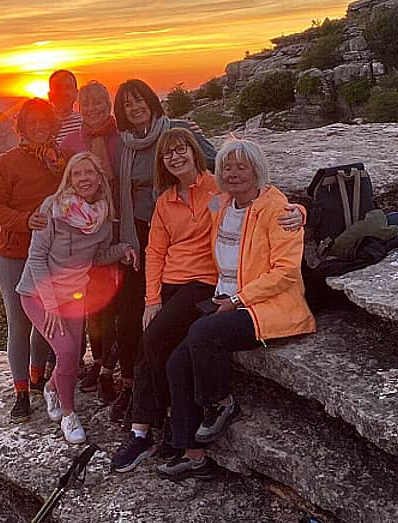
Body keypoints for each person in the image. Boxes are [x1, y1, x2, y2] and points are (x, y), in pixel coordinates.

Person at [110, 129, 304, 472]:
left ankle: (157, 425)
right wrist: (151, 298)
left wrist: (300, 212)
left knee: (158, 340)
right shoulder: (201, 200)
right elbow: (155, 250)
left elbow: (271, 207)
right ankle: (186, 448)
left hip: (213, 289)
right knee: (162, 353)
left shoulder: (220, 192)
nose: (176, 157)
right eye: (168, 153)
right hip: (190, 287)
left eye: (182, 149)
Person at [159, 138, 315, 481]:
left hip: (266, 306)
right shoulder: (221, 204)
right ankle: (193, 455)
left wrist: (300, 211)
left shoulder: (278, 210)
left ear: (257, 171)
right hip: (226, 299)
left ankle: (219, 402)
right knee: (175, 363)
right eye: (227, 168)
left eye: (241, 167)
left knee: (202, 332)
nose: (233, 174)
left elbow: (286, 271)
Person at [108, 79, 216, 422]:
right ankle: (132, 387)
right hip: (138, 233)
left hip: (180, 229)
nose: (135, 108)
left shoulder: (178, 130)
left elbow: (213, 160)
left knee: (157, 320)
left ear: (152, 101)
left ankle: (155, 406)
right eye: (127, 105)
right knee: (130, 315)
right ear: (121, 113)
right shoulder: (124, 145)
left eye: (139, 100)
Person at [16, 152, 137, 443]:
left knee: (70, 354)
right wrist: (51, 304)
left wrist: (122, 250)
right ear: (69, 179)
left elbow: (98, 256)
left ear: (99, 178)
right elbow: (36, 258)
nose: (84, 179)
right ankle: (69, 414)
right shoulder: (53, 209)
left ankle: (52, 389)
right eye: (77, 173)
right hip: (37, 294)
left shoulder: (103, 217)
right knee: (68, 351)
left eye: (90, 173)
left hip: (73, 294)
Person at [0, 99, 66, 423]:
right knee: (19, 322)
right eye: (31, 121)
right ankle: (21, 393)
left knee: (46, 319)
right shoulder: (6, 162)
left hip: (52, 253)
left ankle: (37, 376)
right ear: (21, 127)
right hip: (15, 253)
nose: (38, 126)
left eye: (43, 120)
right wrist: (24, 220)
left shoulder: (60, 161)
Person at [60, 81, 122, 400]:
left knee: (118, 302)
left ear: (109, 104)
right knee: (92, 303)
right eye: (88, 103)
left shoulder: (122, 137)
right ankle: (97, 363)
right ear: (79, 107)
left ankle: (112, 367)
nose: (94, 108)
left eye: (100, 102)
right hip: (84, 232)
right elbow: (61, 187)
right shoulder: (71, 141)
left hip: (120, 226)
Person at [49, 69, 83, 147]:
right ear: (50, 95)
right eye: (58, 87)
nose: (63, 92)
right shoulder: (40, 127)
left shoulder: (86, 125)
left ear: (76, 93)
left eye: (69, 87)